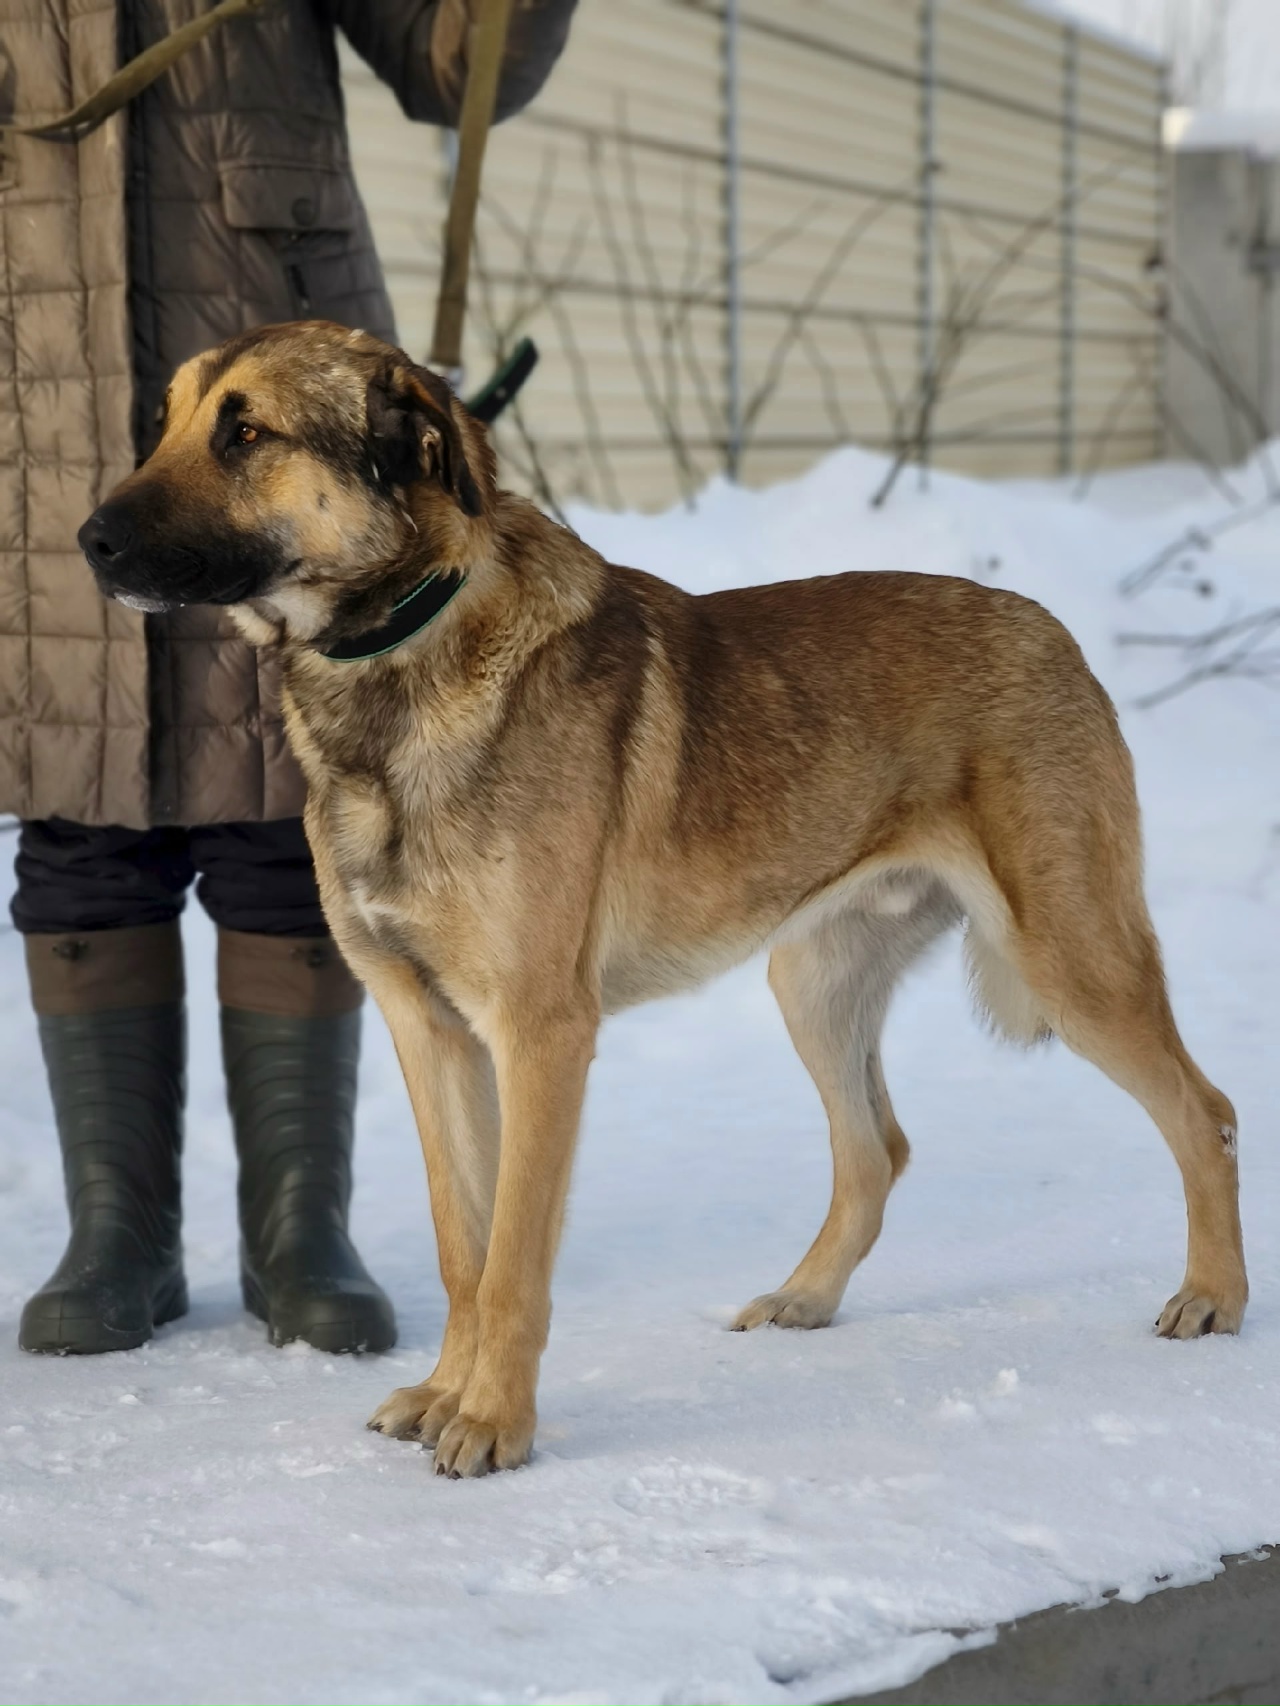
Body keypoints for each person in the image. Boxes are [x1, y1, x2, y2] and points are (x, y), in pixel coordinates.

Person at [1, 0, 576, 1356]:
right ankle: (118, 1232)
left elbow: (455, 64)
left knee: (281, 810)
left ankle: (300, 1224)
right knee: (81, 806)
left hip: (276, 373)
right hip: (36, 383)